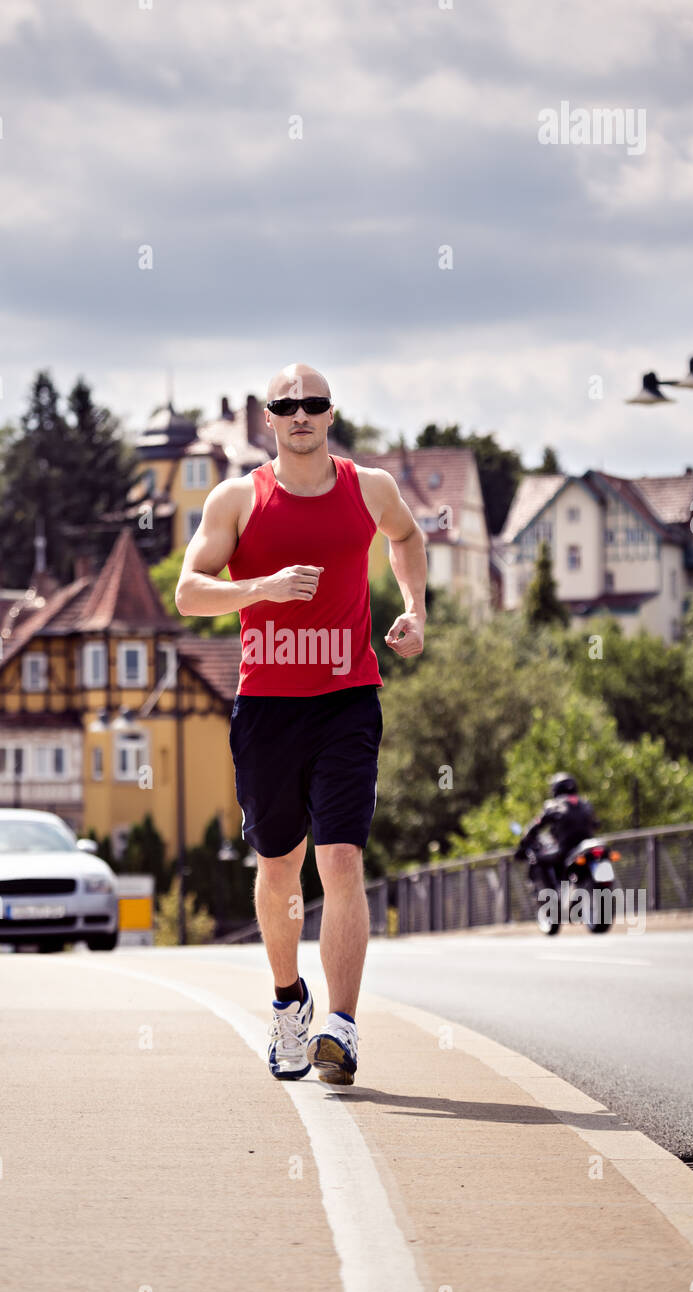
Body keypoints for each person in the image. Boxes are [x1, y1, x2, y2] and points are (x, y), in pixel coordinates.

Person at [175, 362, 426, 1085]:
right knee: (278, 864)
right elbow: (191, 593)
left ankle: (341, 1029)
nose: (301, 415)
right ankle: (289, 1002)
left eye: (313, 403)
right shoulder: (237, 500)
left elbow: (407, 538)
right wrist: (266, 588)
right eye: (287, 405)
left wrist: (413, 609)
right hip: (268, 709)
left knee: (340, 860)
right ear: (269, 417)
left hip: (347, 699)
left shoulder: (367, 488)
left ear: (331, 412)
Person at [515, 772, 598, 892]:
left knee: (538, 859)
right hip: (587, 846)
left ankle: (552, 896)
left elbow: (536, 825)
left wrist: (524, 840)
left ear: (556, 789)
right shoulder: (585, 803)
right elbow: (596, 824)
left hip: (566, 850)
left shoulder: (553, 805)